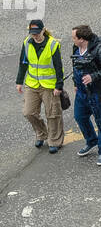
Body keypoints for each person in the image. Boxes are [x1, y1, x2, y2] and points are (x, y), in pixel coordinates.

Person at [16, 17, 65, 153]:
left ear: (43, 30)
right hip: (32, 84)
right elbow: (23, 63)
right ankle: (42, 133)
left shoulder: (53, 44)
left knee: (53, 114)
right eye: (33, 33)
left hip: (49, 85)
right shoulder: (27, 43)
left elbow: (58, 66)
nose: (35, 35)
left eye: (37, 32)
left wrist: (58, 86)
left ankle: (55, 141)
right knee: (28, 112)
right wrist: (19, 81)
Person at [70, 24, 101, 167]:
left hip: (98, 93)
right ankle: (91, 140)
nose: (72, 40)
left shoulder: (99, 51)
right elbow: (75, 66)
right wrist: (76, 84)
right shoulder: (76, 48)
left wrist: (93, 76)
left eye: (74, 37)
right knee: (79, 117)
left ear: (82, 39)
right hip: (82, 93)